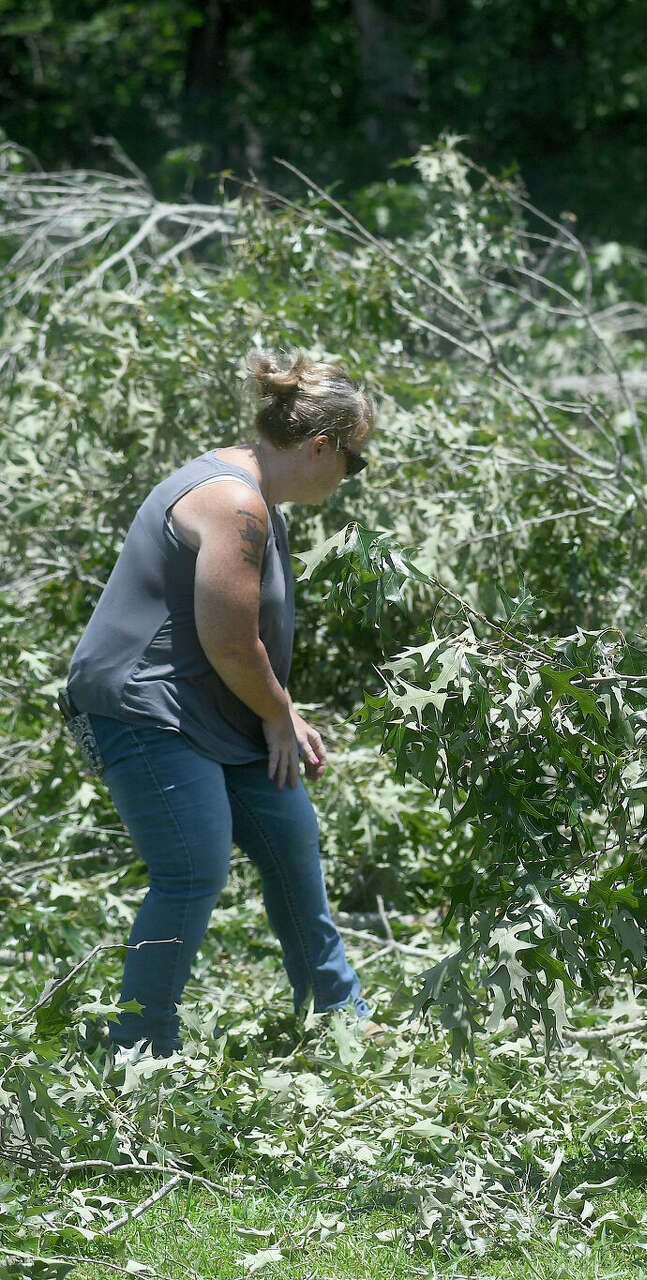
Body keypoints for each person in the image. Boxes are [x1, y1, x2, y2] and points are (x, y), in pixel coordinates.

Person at [63, 351, 376, 1056]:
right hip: (143, 709)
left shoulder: (258, 493)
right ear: (323, 448)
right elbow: (231, 643)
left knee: (291, 837)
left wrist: (279, 713)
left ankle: (342, 1020)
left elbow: (237, 649)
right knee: (192, 868)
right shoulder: (234, 500)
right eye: (355, 463)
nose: (351, 478)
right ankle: (138, 1053)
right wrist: (276, 712)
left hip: (214, 707)